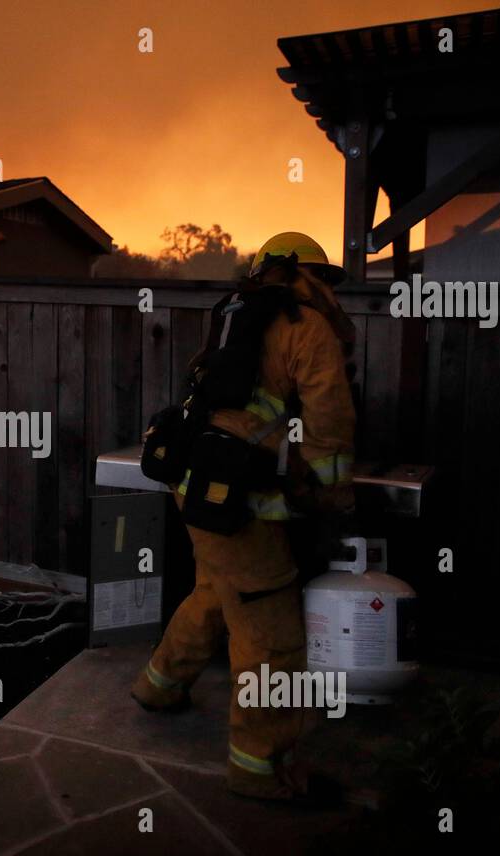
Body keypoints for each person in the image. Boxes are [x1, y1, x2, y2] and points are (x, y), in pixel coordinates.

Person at [130, 232, 357, 801]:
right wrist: (331, 496)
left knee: (215, 589)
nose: (326, 292)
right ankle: (262, 764)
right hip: (240, 496)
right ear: (308, 277)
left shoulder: (233, 313)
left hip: (192, 482)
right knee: (271, 630)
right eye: (322, 280)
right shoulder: (309, 327)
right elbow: (329, 424)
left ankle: (159, 686)